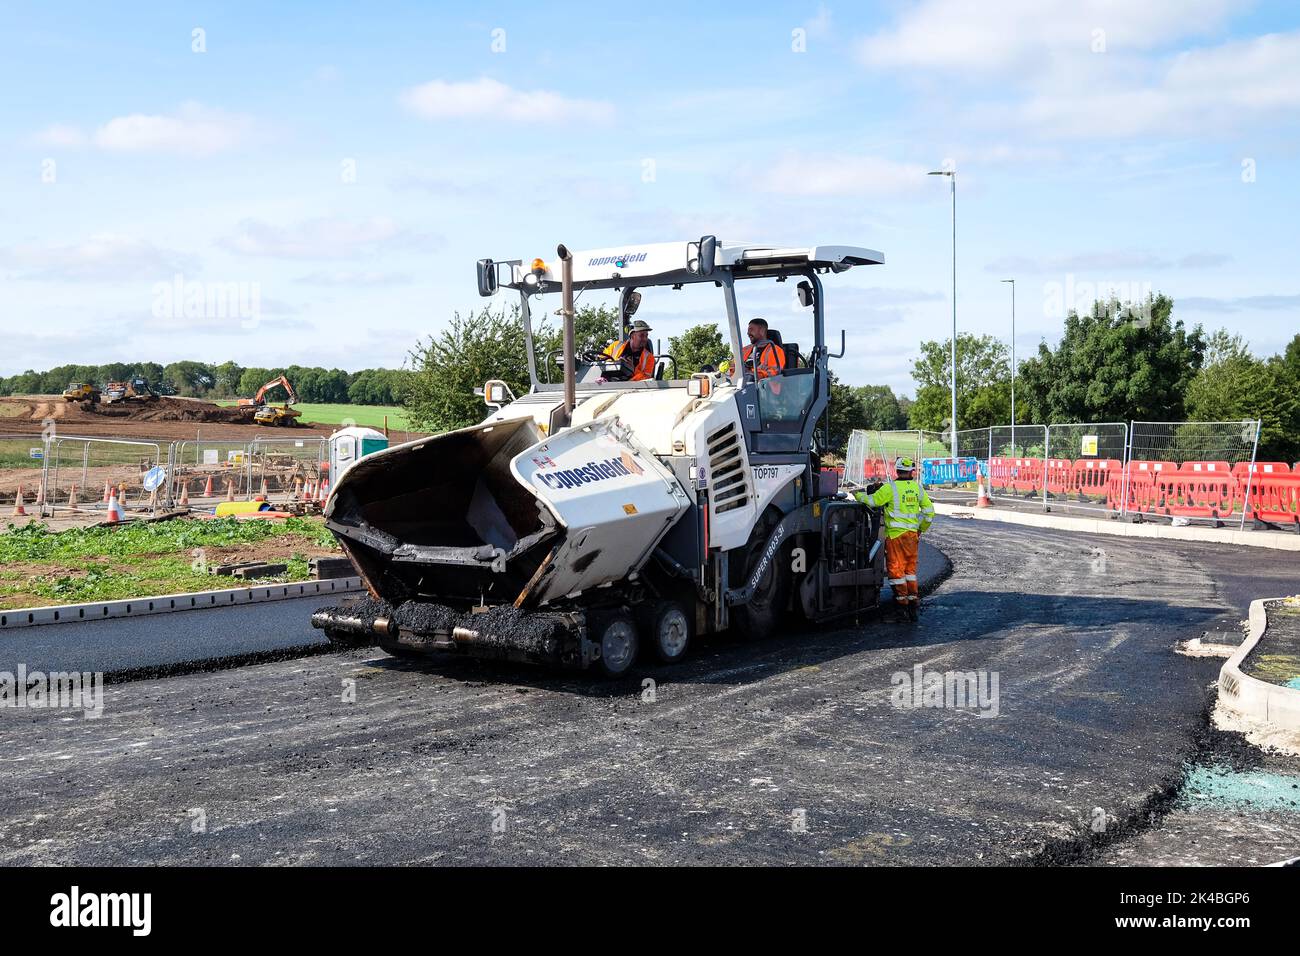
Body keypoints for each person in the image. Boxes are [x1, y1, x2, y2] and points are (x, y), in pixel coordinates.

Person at [855, 456, 934, 622]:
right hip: (912, 536)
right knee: (910, 572)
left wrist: (857, 496)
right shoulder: (918, 488)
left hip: (896, 537)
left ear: (897, 471)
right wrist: (921, 528)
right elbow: (929, 513)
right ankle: (913, 607)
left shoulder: (890, 488)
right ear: (911, 471)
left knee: (897, 573)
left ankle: (902, 610)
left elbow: (873, 501)